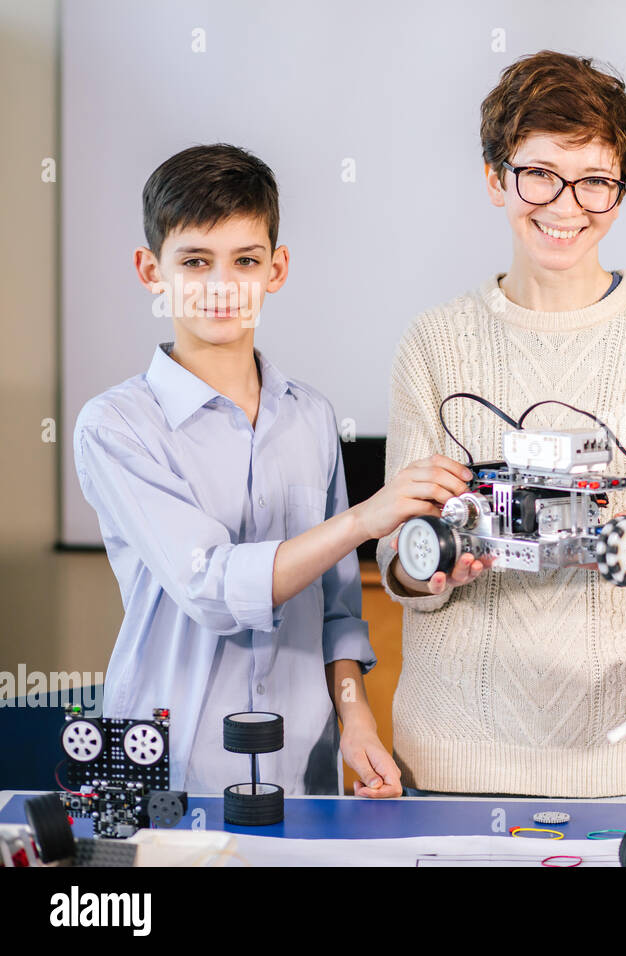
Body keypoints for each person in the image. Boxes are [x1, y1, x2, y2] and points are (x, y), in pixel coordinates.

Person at [377, 51, 626, 796]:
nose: (566, 205)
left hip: (620, 765)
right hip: (453, 759)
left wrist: (619, 546)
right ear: (495, 177)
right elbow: (399, 561)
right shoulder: (434, 344)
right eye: (540, 173)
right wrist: (435, 563)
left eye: (595, 181)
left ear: (622, 192)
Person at [74, 144, 440, 796]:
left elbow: (338, 612)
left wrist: (354, 715)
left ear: (277, 268)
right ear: (150, 271)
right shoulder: (114, 425)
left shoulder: (312, 417)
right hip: (169, 762)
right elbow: (212, 588)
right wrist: (362, 520)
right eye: (194, 262)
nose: (222, 286)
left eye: (245, 261)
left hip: (303, 766)